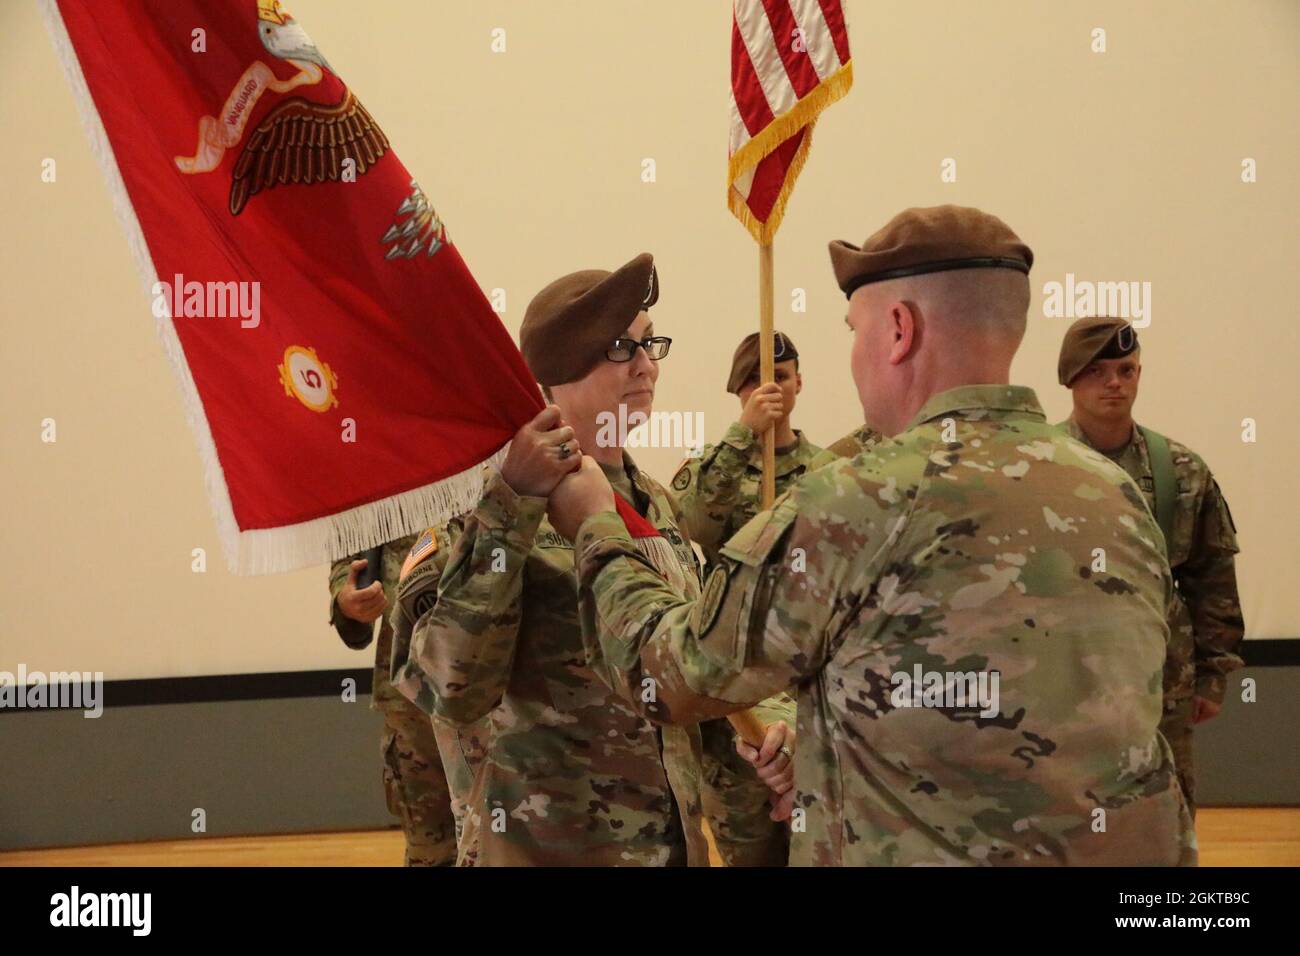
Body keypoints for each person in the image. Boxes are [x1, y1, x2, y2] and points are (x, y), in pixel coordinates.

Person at [548, 205, 1196, 866]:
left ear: (898, 329)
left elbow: (670, 675)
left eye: (854, 331)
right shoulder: (1116, 495)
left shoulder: (855, 502)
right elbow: (1158, 692)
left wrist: (597, 527)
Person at [392, 253, 779, 865]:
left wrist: (766, 729)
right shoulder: (487, 509)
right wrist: (512, 505)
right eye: (623, 348)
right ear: (559, 370)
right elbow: (449, 690)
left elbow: (689, 656)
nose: (648, 366)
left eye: (651, 344)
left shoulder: (656, 503)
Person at [1057, 316, 1244, 813]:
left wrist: (1212, 676)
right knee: (1063, 821)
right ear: (1070, 378)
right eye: (1097, 372)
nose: (1114, 383)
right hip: (1060, 682)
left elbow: (1211, 576)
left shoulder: (1181, 470)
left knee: (1164, 818)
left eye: (1126, 370)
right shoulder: (1038, 465)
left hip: (1161, 686)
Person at [669, 331, 815, 865]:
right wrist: (744, 436)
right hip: (735, 702)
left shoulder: (831, 472)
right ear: (737, 390)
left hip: (805, 699)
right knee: (746, 853)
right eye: (754, 379)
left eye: (781, 375)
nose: (769, 387)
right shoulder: (713, 467)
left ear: (801, 381)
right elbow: (691, 525)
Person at [329, 538, 456, 866]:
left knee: (510, 835)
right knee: (431, 846)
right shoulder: (382, 488)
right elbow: (349, 558)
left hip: (503, 679)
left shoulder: (503, 485)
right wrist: (346, 598)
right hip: (410, 693)